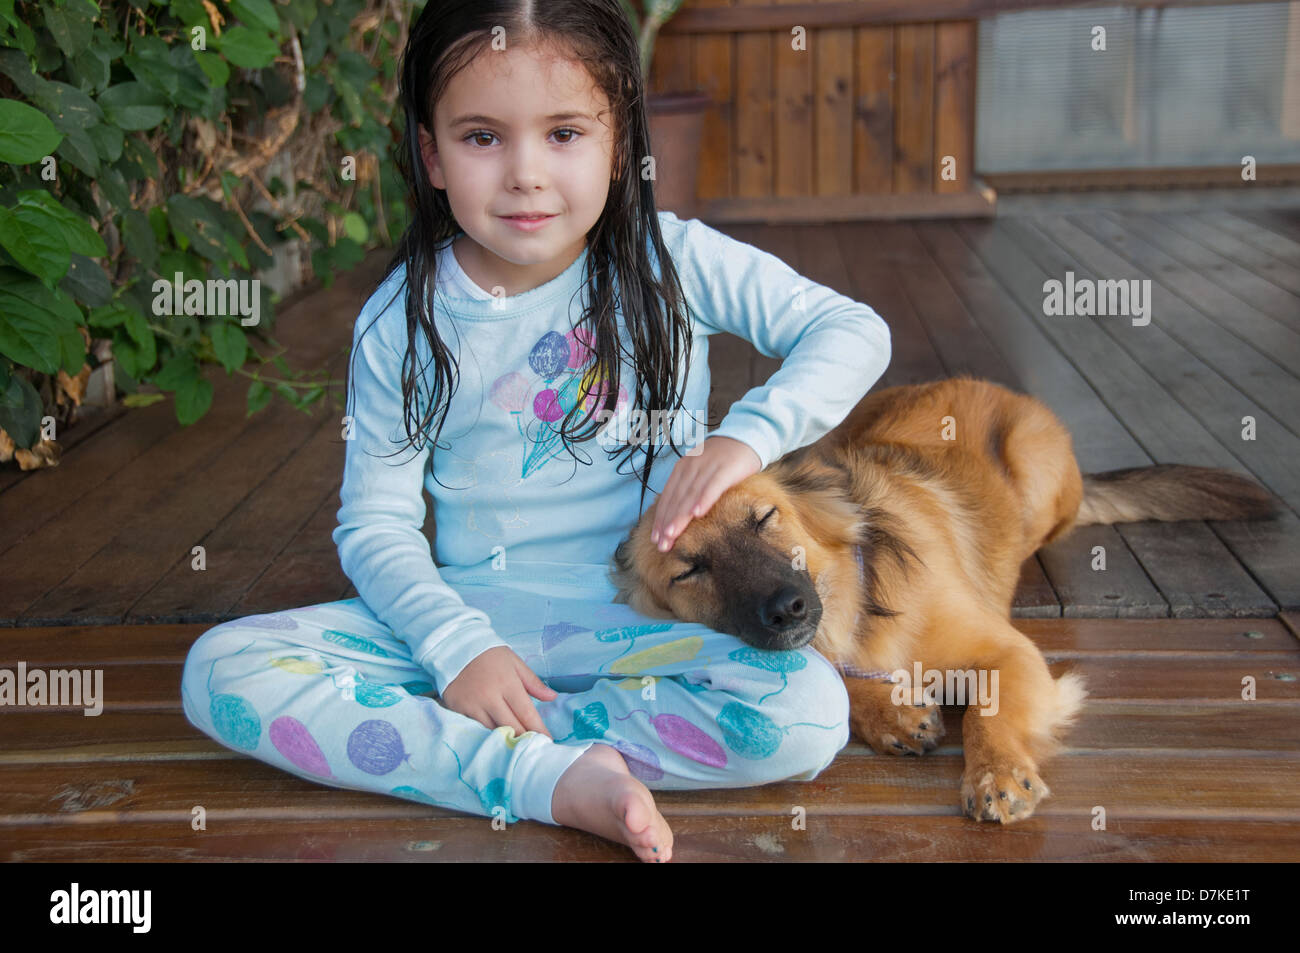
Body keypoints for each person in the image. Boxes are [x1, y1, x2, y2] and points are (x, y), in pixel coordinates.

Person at [181, 0, 892, 864]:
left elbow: (852, 330)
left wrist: (743, 442)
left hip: (649, 621)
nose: (525, 173)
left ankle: (510, 750)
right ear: (431, 154)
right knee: (220, 669)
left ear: (620, 141)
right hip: (477, 616)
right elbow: (375, 526)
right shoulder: (403, 322)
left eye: (563, 133)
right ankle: (547, 779)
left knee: (807, 712)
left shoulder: (676, 262)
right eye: (483, 137)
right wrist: (457, 648)